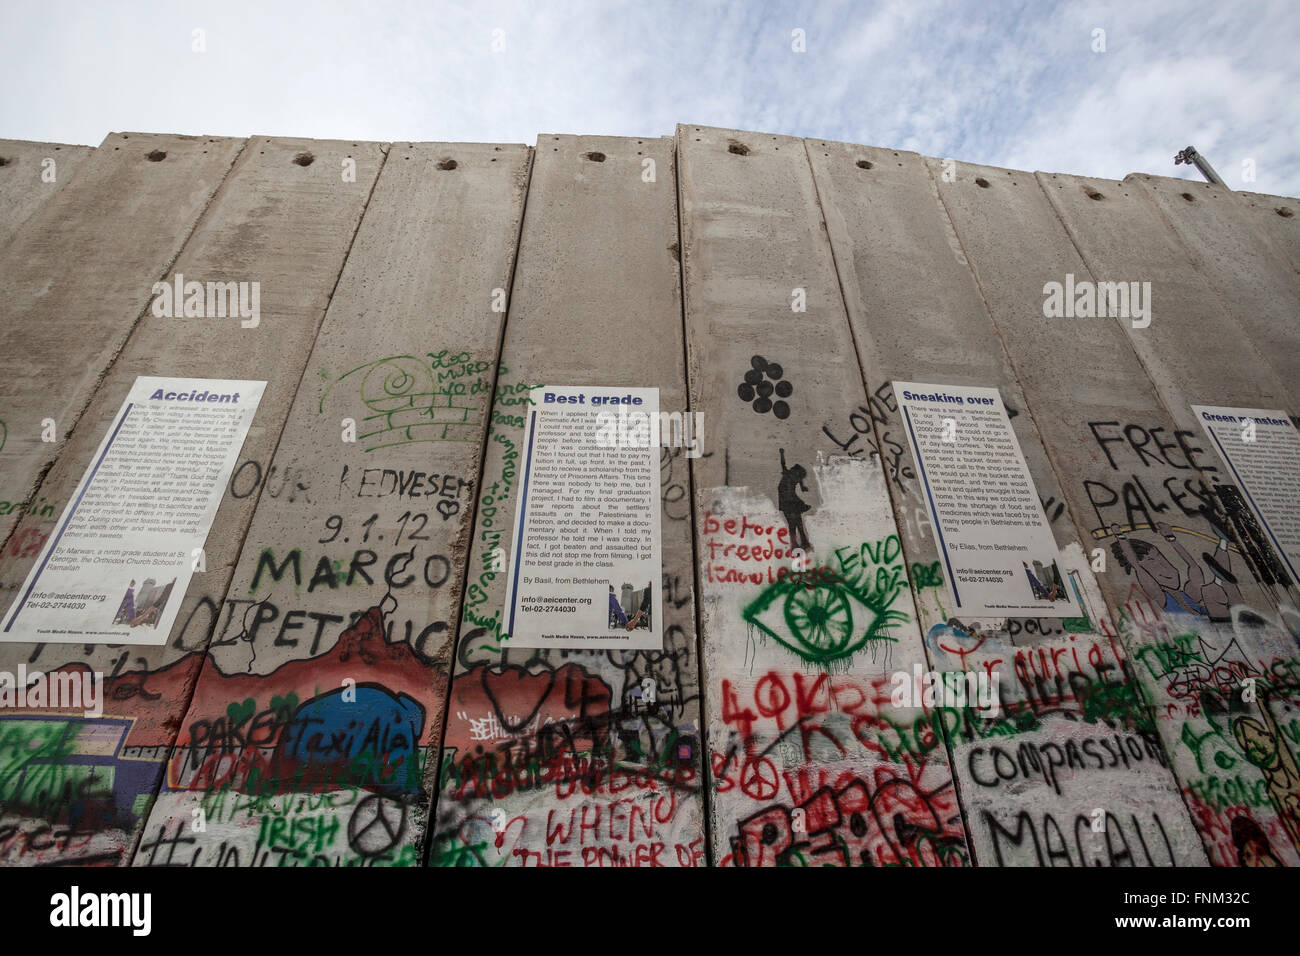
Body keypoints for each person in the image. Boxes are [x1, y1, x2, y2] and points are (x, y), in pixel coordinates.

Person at [778, 448, 812, 552]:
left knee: (794, 524)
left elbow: (783, 464)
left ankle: (798, 543)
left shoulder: (789, 474)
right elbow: (783, 463)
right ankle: (802, 542)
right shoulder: (791, 475)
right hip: (789, 501)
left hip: (787, 501)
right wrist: (782, 454)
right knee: (796, 523)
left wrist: (802, 487)